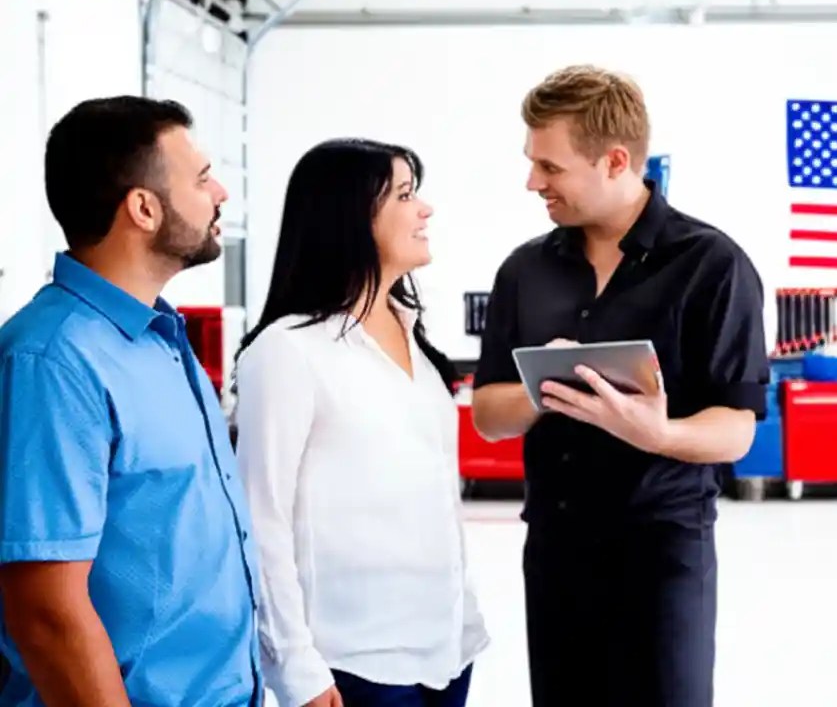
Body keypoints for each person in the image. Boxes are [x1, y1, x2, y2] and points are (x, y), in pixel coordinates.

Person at [471, 64, 771, 707]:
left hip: (663, 551)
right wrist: (545, 386)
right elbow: (489, 416)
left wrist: (657, 432)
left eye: (549, 167)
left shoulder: (713, 267)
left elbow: (737, 427)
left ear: (613, 160)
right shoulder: (524, 271)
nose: (532, 182)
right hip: (555, 550)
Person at [0, 96, 262, 705]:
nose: (220, 191)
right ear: (143, 208)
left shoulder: (161, 340)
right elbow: (45, 608)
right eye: (200, 179)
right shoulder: (53, 360)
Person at [232, 138, 488, 707]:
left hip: (447, 651)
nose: (425, 210)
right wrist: (296, 668)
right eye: (404, 194)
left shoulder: (415, 344)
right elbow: (260, 517)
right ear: (350, 217)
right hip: (353, 666)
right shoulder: (287, 352)